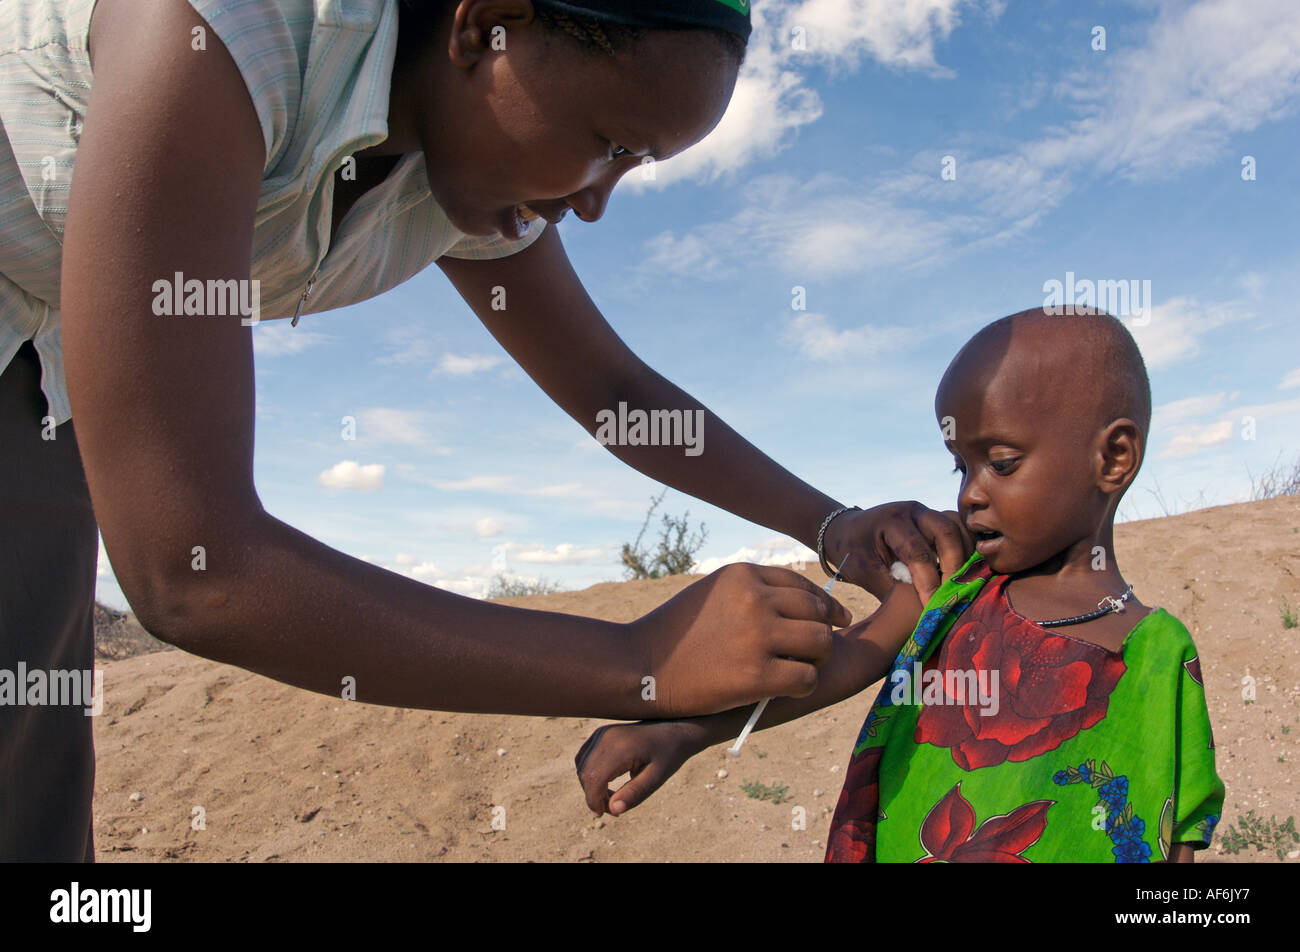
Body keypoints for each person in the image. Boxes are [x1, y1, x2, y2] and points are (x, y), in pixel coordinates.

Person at [0, 0, 969, 861]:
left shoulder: (459, 172)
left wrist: (830, 523)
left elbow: (610, 385)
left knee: (29, 775)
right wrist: (638, 664)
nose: (596, 201)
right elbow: (194, 571)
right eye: (608, 142)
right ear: (479, 24)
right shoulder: (219, 28)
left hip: (43, 363)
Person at [574, 307, 1226, 863]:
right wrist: (686, 732)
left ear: (1113, 458)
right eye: (961, 465)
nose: (970, 493)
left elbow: (1177, 831)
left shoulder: (1160, 656)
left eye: (1001, 463)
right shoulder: (952, 584)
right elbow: (840, 661)